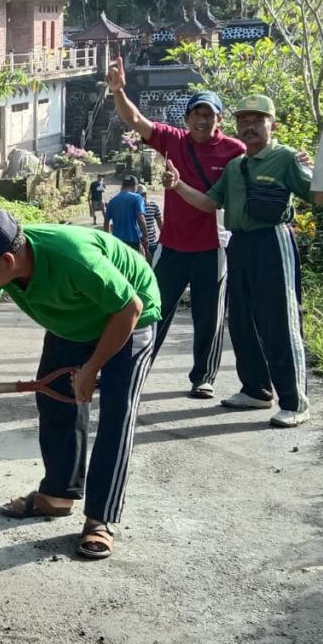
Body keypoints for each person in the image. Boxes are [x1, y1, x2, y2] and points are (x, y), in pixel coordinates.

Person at [0, 209, 161, 559]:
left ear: (7, 260)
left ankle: (100, 519)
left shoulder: (75, 259)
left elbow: (129, 308)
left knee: (117, 415)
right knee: (56, 400)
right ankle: (57, 495)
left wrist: (91, 368)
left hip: (128, 317)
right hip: (73, 321)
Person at [165, 94, 323, 428]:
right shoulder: (235, 165)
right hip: (238, 243)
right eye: (244, 120)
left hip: (272, 242)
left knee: (280, 321)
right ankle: (256, 390)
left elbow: (318, 196)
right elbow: (210, 203)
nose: (250, 126)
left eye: (258, 120)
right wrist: (178, 185)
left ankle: (295, 402)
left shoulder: (285, 158)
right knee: (241, 321)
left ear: (272, 125)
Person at [109, 57, 244, 400]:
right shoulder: (174, 140)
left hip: (212, 247)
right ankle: (134, 368)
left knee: (208, 317)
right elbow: (135, 120)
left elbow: (260, 160)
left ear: (219, 119)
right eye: (197, 113)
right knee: (151, 309)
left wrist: (297, 160)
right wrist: (118, 91)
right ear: (186, 119)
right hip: (171, 246)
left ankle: (203, 378)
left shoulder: (234, 151)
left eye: (209, 114)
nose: (202, 119)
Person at [104, 175, 149, 257]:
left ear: (123, 185)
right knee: (133, 262)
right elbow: (140, 218)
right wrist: (145, 236)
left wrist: (107, 239)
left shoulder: (112, 201)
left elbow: (106, 222)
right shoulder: (137, 198)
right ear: (135, 186)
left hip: (117, 240)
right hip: (132, 239)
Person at [137, 183, 163, 261]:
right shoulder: (134, 207)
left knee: (153, 263)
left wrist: (162, 238)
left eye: (143, 194)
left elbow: (160, 223)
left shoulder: (153, 206)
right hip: (138, 243)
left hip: (152, 242)